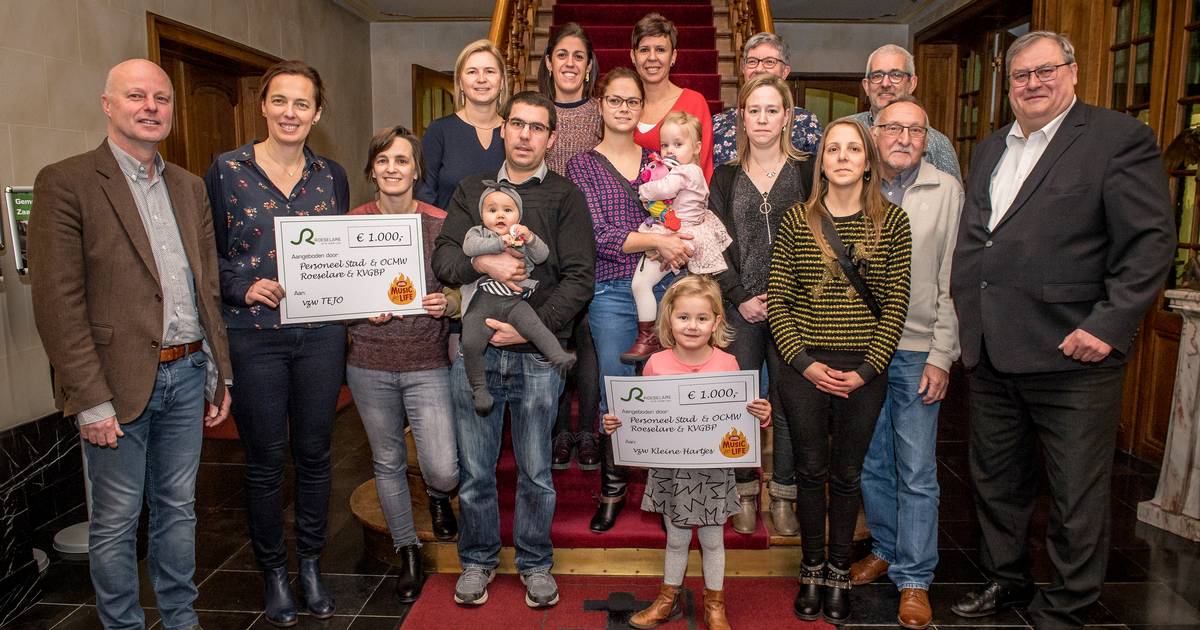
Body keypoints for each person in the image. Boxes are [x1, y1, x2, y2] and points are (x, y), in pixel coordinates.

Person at [949, 32, 1175, 627]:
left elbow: (1150, 242)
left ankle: (1069, 605)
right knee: (996, 483)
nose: (1033, 83)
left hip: (1073, 353)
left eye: (1046, 70)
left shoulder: (1116, 139)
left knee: (1076, 492)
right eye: (1021, 75)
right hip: (992, 349)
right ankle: (1006, 583)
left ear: (1073, 72)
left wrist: (1110, 323)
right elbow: (984, 238)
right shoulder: (992, 147)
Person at [28, 58, 232, 630]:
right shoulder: (65, 182)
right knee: (116, 520)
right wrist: (88, 397)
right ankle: (122, 625)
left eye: (161, 98)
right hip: (113, 384)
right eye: (137, 96)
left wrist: (219, 370)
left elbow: (205, 287)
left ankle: (180, 617)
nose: (151, 107)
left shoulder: (190, 187)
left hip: (188, 372)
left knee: (179, 510)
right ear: (108, 104)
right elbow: (57, 304)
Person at [433, 90, 595, 609]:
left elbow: (579, 278)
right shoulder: (472, 190)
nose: (526, 135)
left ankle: (534, 563)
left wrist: (531, 330)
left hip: (535, 357)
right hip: (477, 351)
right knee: (477, 471)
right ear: (503, 129)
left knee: (535, 472)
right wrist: (484, 265)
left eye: (537, 127)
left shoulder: (566, 196)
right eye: (518, 124)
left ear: (551, 136)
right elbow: (445, 259)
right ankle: (477, 561)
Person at [206, 60, 350, 626]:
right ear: (263, 106)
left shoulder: (332, 175)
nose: (291, 113)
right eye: (280, 101)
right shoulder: (226, 170)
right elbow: (206, 255)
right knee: (265, 461)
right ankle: (273, 572)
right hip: (255, 338)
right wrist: (242, 285)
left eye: (303, 104)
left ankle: (310, 564)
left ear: (317, 113)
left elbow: (341, 254)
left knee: (316, 456)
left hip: (320, 337)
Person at [768, 117, 912, 624]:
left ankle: (836, 571)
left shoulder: (893, 223)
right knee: (809, 472)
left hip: (862, 371)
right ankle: (809, 568)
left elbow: (896, 303)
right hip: (802, 364)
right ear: (822, 161)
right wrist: (805, 365)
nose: (844, 157)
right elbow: (779, 301)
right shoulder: (794, 220)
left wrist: (869, 370)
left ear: (868, 161)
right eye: (834, 149)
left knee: (847, 476)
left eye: (854, 149)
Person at [602, 274, 772, 630]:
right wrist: (619, 426)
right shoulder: (655, 365)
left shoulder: (728, 365)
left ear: (716, 322)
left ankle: (715, 604)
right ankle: (667, 598)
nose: (692, 326)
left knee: (712, 540)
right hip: (671, 469)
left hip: (712, 470)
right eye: (683, 317)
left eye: (701, 318)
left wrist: (761, 415)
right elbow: (643, 420)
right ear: (669, 321)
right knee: (676, 538)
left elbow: (738, 422)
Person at [565, 68, 694, 532]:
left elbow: (682, 214)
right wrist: (656, 241)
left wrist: (672, 239)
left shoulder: (659, 161)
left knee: (667, 391)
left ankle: (666, 492)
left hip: (666, 289)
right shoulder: (582, 165)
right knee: (615, 390)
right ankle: (613, 489)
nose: (623, 108)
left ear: (642, 109)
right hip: (611, 291)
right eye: (615, 100)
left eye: (632, 101)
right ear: (600, 105)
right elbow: (597, 235)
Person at [851, 95, 963, 629]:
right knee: (873, 461)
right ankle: (887, 549)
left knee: (916, 469)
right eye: (891, 128)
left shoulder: (947, 191)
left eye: (914, 131)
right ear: (874, 134)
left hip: (918, 347)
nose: (902, 138)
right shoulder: (852, 185)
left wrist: (942, 354)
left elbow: (952, 281)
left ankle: (916, 578)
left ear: (926, 138)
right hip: (862, 349)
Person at [345, 125, 458, 604]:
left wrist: (446, 303)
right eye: (384, 161)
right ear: (372, 169)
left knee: (444, 467)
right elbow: (330, 291)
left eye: (402, 160)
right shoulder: (349, 223)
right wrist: (356, 305)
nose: (393, 169)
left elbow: (465, 287)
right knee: (387, 461)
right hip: (368, 362)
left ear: (417, 169)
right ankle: (407, 550)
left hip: (427, 361)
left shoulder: (440, 221)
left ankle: (437, 496)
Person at [709, 74, 813, 536]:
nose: (764, 119)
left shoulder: (809, 172)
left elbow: (823, 242)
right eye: (755, 110)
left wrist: (792, 297)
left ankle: (784, 496)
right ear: (742, 118)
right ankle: (744, 492)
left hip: (798, 309)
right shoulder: (725, 176)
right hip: (741, 308)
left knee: (789, 403)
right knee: (741, 403)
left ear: (787, 117)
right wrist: (740, 296)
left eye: (773, 110)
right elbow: (710, 246)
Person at [537, 21, 603, 473]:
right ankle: (560, 430)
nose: (569, 63)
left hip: (590, 238)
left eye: (578, 56)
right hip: (542, 241)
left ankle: (589, 431)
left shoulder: (601, 111)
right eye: (562, 54)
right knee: (554, 338)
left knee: (588, 339)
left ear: (589, 66)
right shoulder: (533, 112)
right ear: (548, 63)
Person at [622, 110, 731, 362]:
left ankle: (648, 336)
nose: (669, 151)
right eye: (664, 145)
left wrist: (644, 188)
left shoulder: (687, 172)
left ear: (697, 147)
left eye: (678, 144)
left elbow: (663, 190)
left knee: (642, 284)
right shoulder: (683, 170)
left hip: (680, 235)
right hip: (679, 231)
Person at [461, 182, 577, 414]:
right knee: (471, 343)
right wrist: (499, 242)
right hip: (483, 303)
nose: (500, 215)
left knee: (533, 324)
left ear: (519, 215)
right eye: (492, 210)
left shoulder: (521, 237)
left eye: (507, 210)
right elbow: (469, 247)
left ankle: (558, 356)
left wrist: (531, 238)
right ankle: (480, 389)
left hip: (513, 302)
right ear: (482, 215)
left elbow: (542, 255)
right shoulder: (479, 233)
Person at [417, 39, 509, 210]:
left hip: (503, 236)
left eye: (490, 71)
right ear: (460, 82)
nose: (481, 79)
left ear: (502, 81)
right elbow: (424, 196)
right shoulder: (439, 131)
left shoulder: (515, 132)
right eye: (472, 72)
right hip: (449, 235)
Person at [851, 45, 960, 181]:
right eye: (877, 75)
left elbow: (951, 197)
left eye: (896, 75)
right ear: (866, 86)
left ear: (912, 84)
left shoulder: (937, 144)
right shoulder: (846, 131)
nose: (885, 83)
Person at [712, 32, 821, 166]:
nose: (759, 68)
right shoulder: (718, 124)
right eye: (752, 61)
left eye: (769, 62)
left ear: (785, 71)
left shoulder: (806, 123)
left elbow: (818, 177)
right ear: (743, 68)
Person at [630, 12, 715, 179]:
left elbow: (702, 170)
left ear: (673, 56)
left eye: (660, 50)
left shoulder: (694, 103)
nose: (652, 57)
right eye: (644, 50)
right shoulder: (623, 105)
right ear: (633, 56)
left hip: (682, 203)